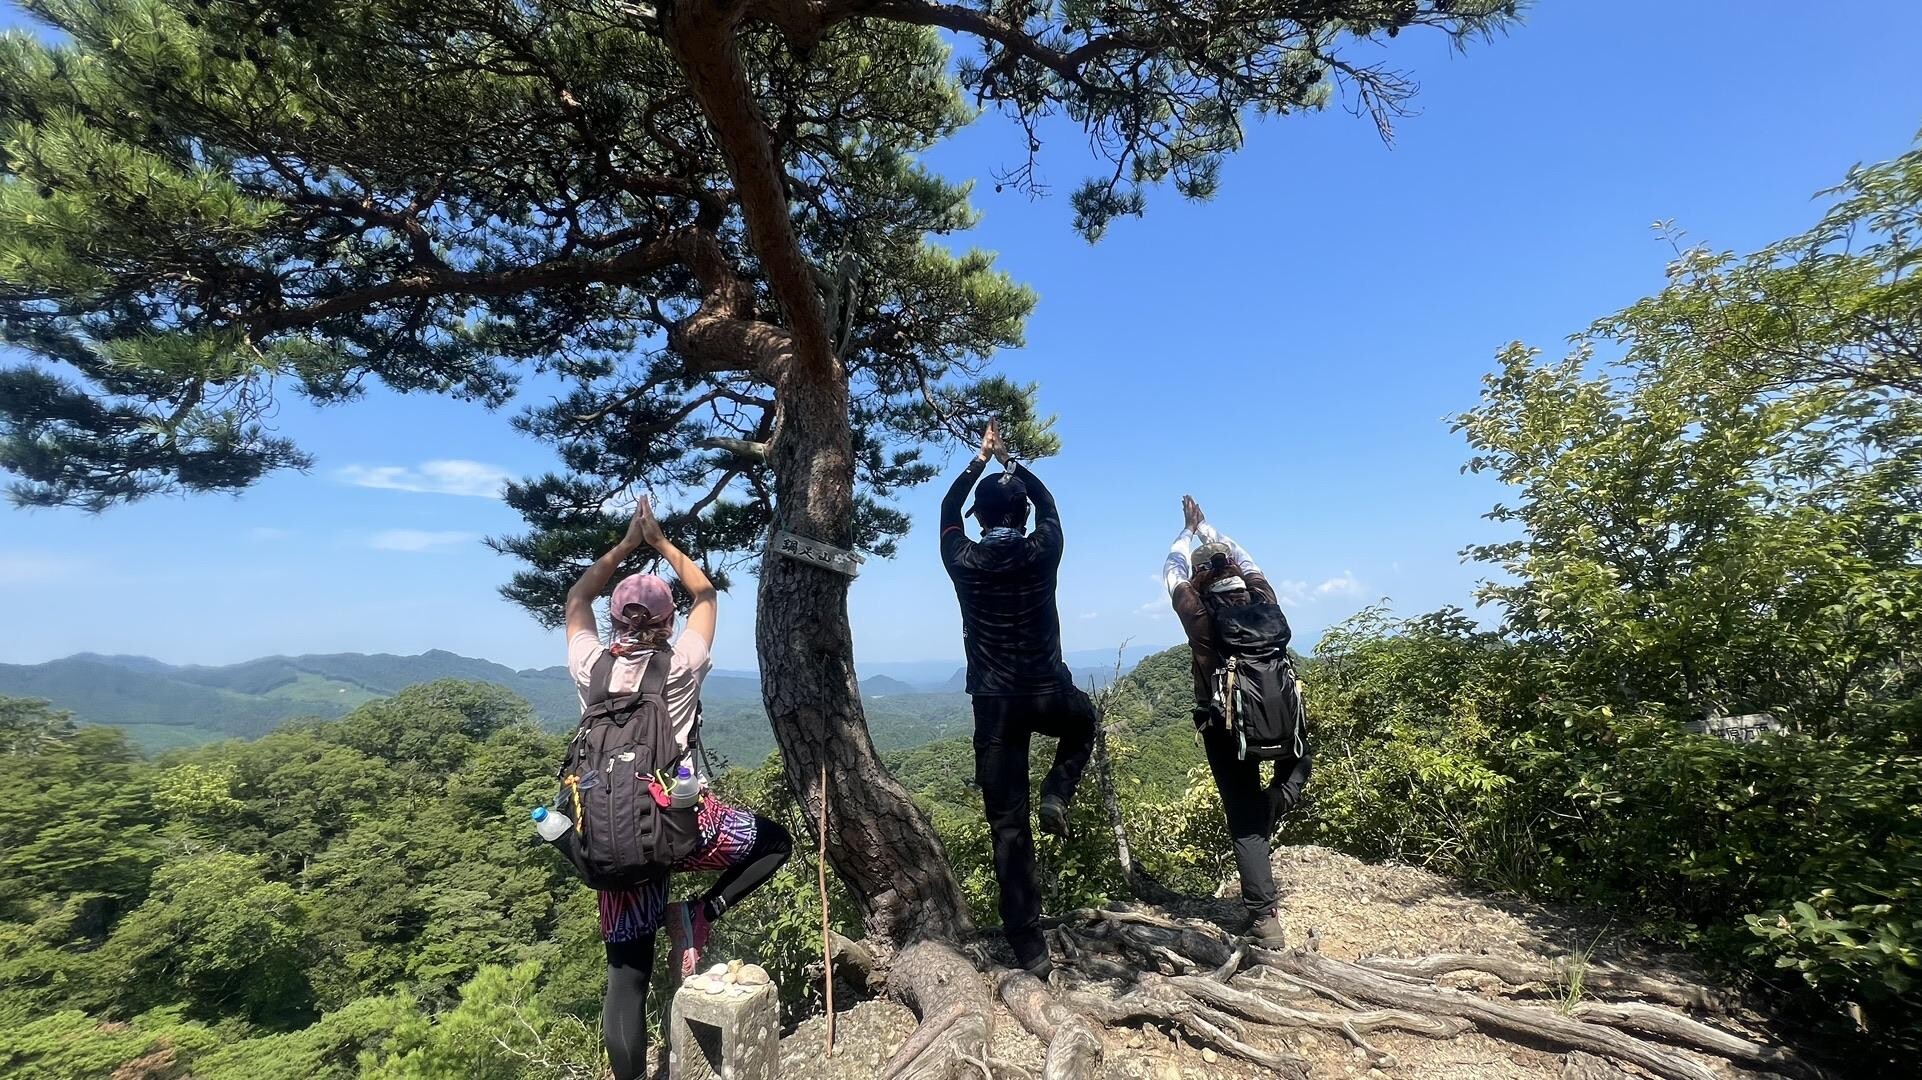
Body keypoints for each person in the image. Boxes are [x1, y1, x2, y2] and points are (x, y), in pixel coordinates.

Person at [564, 498, 792, 1080]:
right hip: (686, 827)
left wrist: (621, 546)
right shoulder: (683, 662)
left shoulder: (588, 665)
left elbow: (576, 598)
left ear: (615, 620)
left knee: (625, 979)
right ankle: (700, 912)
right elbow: (707, 595)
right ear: (668, 622)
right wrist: (660, 543)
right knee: (774, 842)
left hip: (616, 843)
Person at [940, 419, 1096, 977]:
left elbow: (947, 511)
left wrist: (980, 460)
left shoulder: (963, 561)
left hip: (994, 706)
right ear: (1024, 514)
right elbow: (1050, 503)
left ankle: (1029, 946)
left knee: (1008, 827)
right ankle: (1058, 791)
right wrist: (1012, 462)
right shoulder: (1044, 550)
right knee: (1085, 723)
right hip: (1049, 692)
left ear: (980, 520)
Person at [1163, 496, 1310, 948]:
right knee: (1302, 751)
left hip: (1224, 728)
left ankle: (1265, 921)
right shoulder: (1266, 602)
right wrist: (1210, 530)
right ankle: (1282, 793)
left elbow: (1171, 569)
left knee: (1244, 816)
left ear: (1203, 577)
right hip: (1287, 720)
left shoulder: (1201, 615)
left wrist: (1188, 533)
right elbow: (1247, 558)